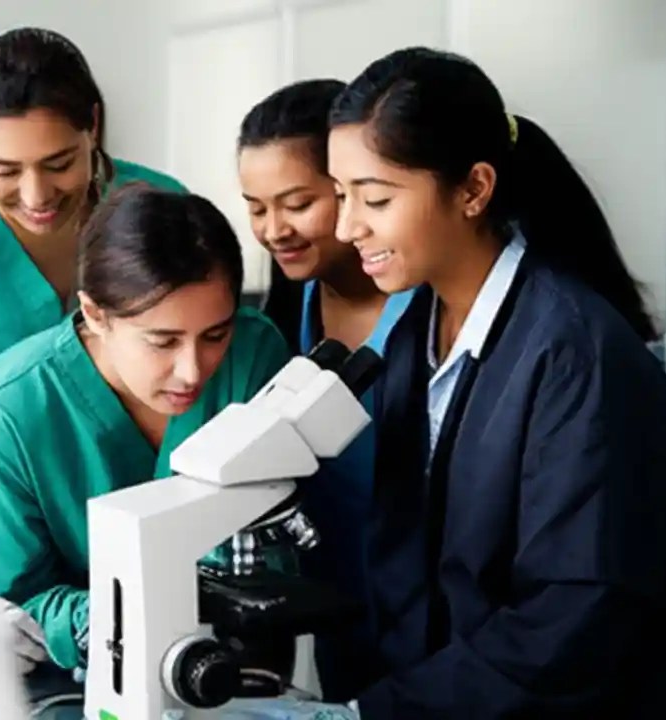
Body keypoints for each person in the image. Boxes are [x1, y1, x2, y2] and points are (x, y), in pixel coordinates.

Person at [327, 48, 666, 718]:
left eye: (375, 198)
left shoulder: (578, 357)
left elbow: (574, 618)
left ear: (474, 190)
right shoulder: (411, 335)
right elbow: (407, 569)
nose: (347, 227)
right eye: (342, 196)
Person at [0, 185, 290, 672]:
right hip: (64, 682)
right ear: (95, 315)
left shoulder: (254, 355)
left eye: (215, 335)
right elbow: (4, 609)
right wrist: (125, 614)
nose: (193, 370)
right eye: (162, 341)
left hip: (230, 667)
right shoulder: (5, 418)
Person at [0, 27, 188, 559]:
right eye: (4, 171)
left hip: (151, 525)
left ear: (94, 128)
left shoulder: (160, 209)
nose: (37, 196)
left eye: (60, 163)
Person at [236, 78, 415, 701]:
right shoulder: (294, 308)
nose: (274, 229)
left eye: (296, 204)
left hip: (429, 620)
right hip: (337, 609)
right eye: (256, 208)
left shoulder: (427, 309)